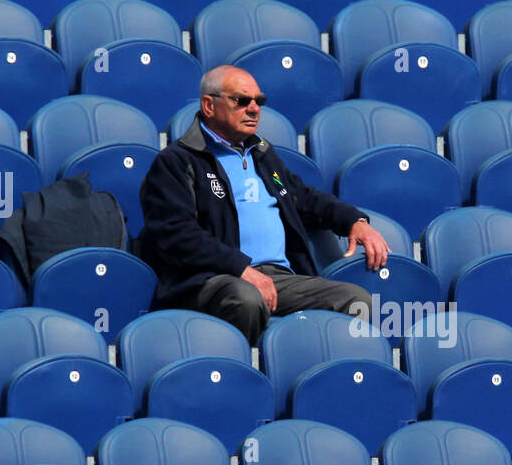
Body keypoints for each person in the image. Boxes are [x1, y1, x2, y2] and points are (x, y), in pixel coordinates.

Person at [139, 65, 389, 344]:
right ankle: (240, 376)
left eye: (260, 101)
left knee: (355, 301)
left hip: (277, 278)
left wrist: (355, 221)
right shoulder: (177, 161)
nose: (254, 109)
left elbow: (304, 198)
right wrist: (241, 269)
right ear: (209, 105)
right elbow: (175, 234)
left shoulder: (263, 154)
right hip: (212, 280)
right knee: (246, 298)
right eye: (242, 100)